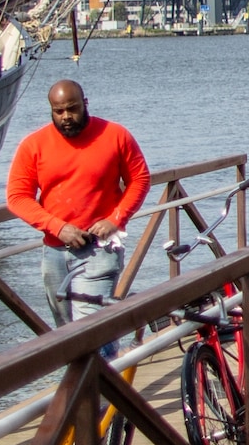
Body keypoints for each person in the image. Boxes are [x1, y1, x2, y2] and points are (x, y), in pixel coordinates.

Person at [8, 79, 151, 329]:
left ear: (85, 104)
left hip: (99, 248)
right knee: (65, 333)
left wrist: (116, 219)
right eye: (59, 111)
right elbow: (17, 196)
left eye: (72, 108)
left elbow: (139, 179)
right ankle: (105, 366)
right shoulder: (33, 145)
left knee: (90, 329)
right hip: (54, 251)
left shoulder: (115, 135)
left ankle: (104, 366)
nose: (66, 117)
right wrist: (57, 227)